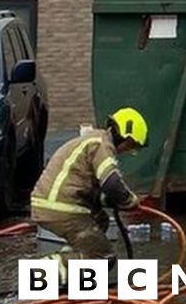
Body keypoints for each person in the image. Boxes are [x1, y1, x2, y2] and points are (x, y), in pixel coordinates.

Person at [31, 107, 148, 275]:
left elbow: (91, 190)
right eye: (130, 145)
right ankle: (41, 272)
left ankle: (68, 270)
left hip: (54, 203)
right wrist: (130, 201)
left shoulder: (93, 140)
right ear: (123, 134)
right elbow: (112, 184)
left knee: (100, 222)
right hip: (61, 208)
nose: (127, 150)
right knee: (103, 257)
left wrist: (108, 201)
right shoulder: (101, 145)